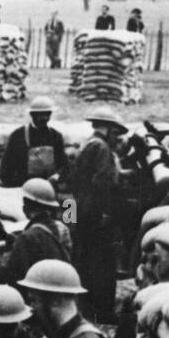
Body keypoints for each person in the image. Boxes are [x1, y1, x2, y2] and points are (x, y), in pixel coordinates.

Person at [72, 107, 129, 323]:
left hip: (83, 210)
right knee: (104, 263)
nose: (117, 138)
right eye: (115, 133)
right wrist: (105, 212)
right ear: (106, 129)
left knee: (85, 260)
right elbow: (104, 182)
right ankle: (104, 312)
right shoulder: (102, 147)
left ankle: (87, 308)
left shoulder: (87, 144)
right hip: (97, 213)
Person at [0, 179, 73, 286]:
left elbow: (2, 276)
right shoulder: (61, 229)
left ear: (27, 207)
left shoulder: (28, 237)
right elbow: (42, 247)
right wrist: (7, 236)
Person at [0, 96, 69, 189]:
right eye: (40, 115)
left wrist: (55, 177)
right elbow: (7, 165)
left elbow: (63, 164)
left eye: (47, 114)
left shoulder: (55, 136)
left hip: (49, 186)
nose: (44, 118)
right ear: (32, 115)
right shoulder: (18, 136)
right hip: (24, 185)